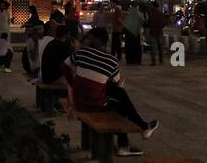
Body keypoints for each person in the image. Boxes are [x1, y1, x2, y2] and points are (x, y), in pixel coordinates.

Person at [64, 26, 159, 156]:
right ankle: (127, 141)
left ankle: (140, 130)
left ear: (96, 40)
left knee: (119, 96)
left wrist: (73, 83)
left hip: (79, 102)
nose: (87, 41)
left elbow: (64, 66)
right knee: (121, 104)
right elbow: (116, 84)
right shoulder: (111, 60)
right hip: (92, 106)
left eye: (90, 38)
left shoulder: (81, 53)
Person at [145, 2, 166, 66]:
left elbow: (148, 23)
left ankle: (154, 61)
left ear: (154, 6)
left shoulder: (151, 14)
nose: (151, 7)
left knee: (153, 48)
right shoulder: (161, 13)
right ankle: (161, 61)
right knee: (160, 48)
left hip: (153, 32)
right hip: (159, 32)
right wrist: (160, 27)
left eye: (152, 5)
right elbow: (164, 23)